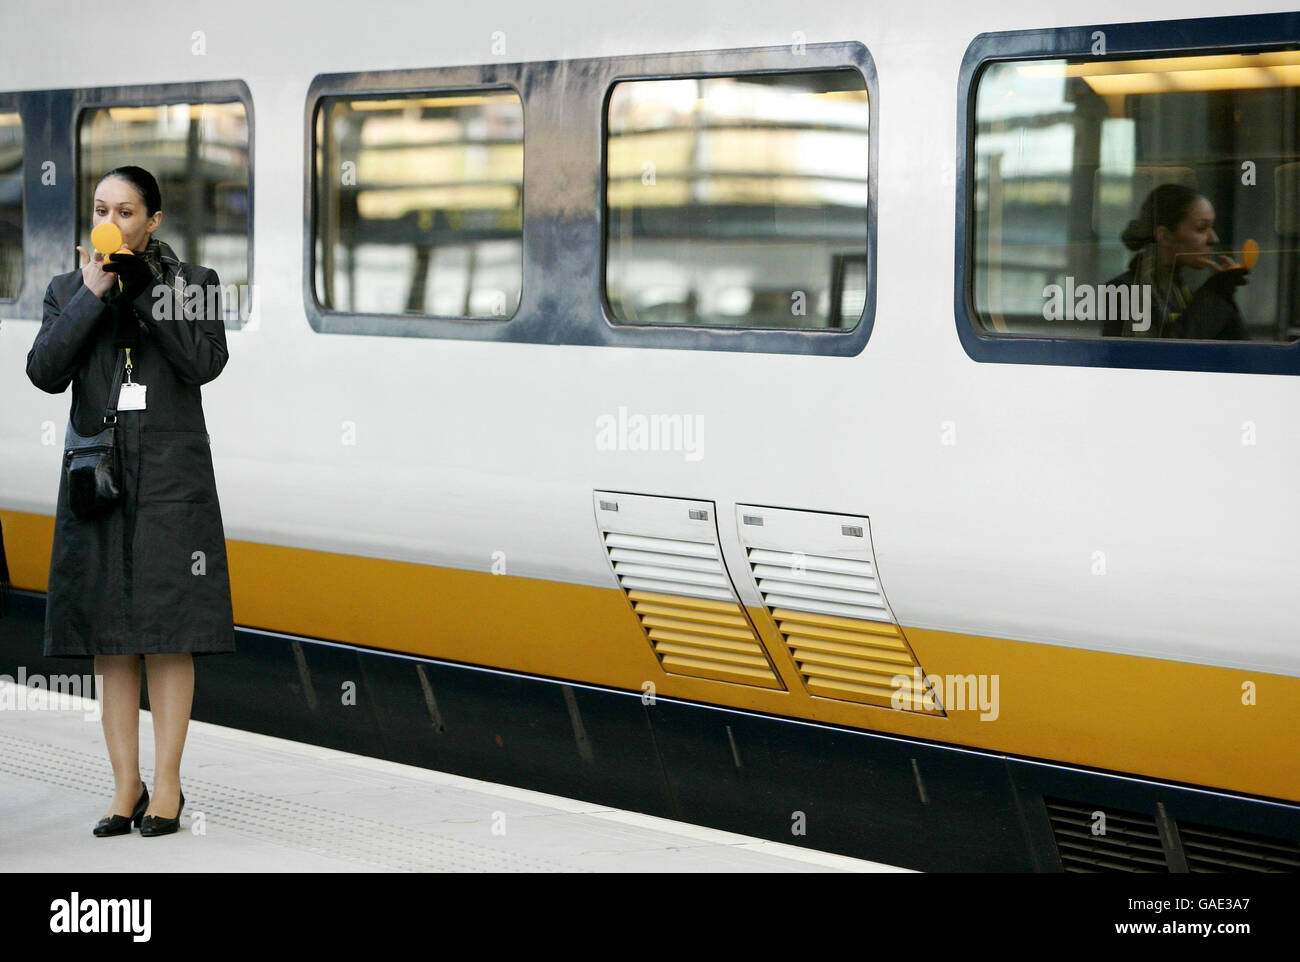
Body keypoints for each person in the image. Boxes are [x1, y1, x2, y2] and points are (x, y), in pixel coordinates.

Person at [25, 165, 235, 837]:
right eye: (101, 208)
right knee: (110, 637)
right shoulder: (68, 289)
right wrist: (92, 295)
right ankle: (125, 788)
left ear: (152, 223)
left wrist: (145, 292)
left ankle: (167, 788)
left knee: (170, 633)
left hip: (173, 482)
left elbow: (202, 364)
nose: (111, 220)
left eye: (125, 211)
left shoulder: (191, 286)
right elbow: (43, 372)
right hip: (100, 481)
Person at [1103, 183, 1250, 339]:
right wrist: (1215, 294)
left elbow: (1239, 351)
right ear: (1165, 236)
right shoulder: (1124, 291)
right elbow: (1161, 355)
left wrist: (1224, 295)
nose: (1213, 239)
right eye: (1201, 228)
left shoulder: (1184, 292)